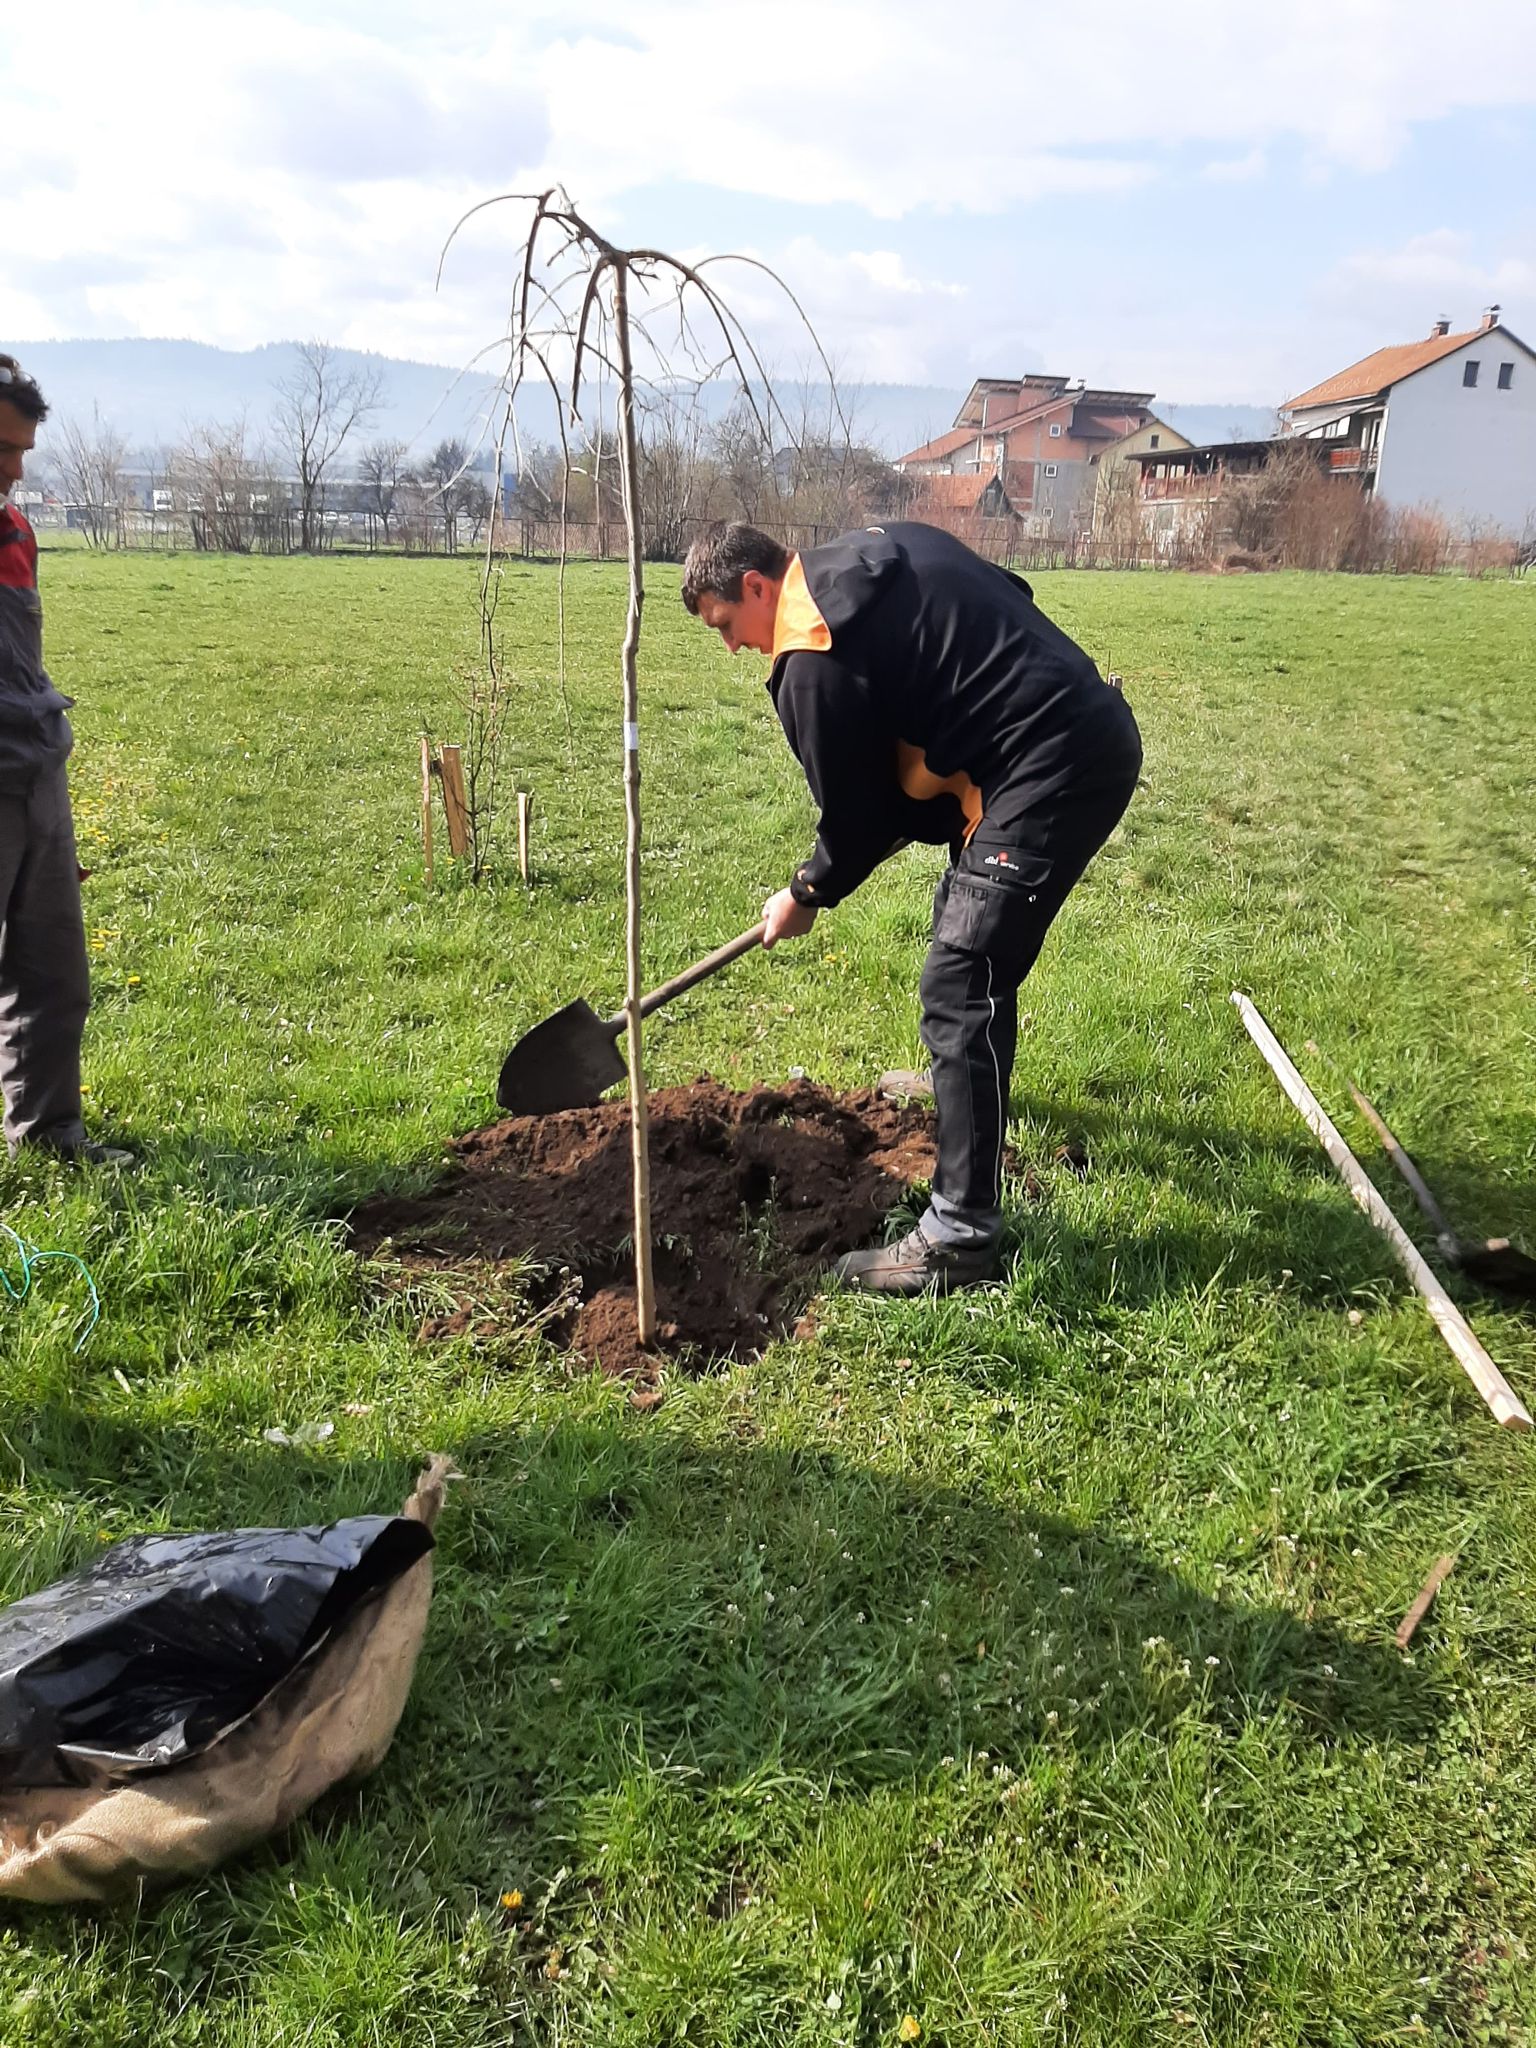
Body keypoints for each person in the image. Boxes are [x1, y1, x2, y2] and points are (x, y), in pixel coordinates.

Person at [681, 518, 1141, 1295]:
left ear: (755, 586)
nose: (732, 647)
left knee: (963, 977)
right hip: (1068, 728)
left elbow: (860, 822)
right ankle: (962, 1085)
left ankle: (959, 1238)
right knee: (967, 920)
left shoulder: (812, 654)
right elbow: (1005, 600)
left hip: (1052, 762)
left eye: (726, 625)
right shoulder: (881, 546)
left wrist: (806, 891)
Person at [0, 354, 130, 1166]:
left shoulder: (14, 529)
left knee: (52, 969)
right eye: (2, 450)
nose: (15, 471)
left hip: (33, 767)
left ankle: (50, 1135)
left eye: (21, 453)